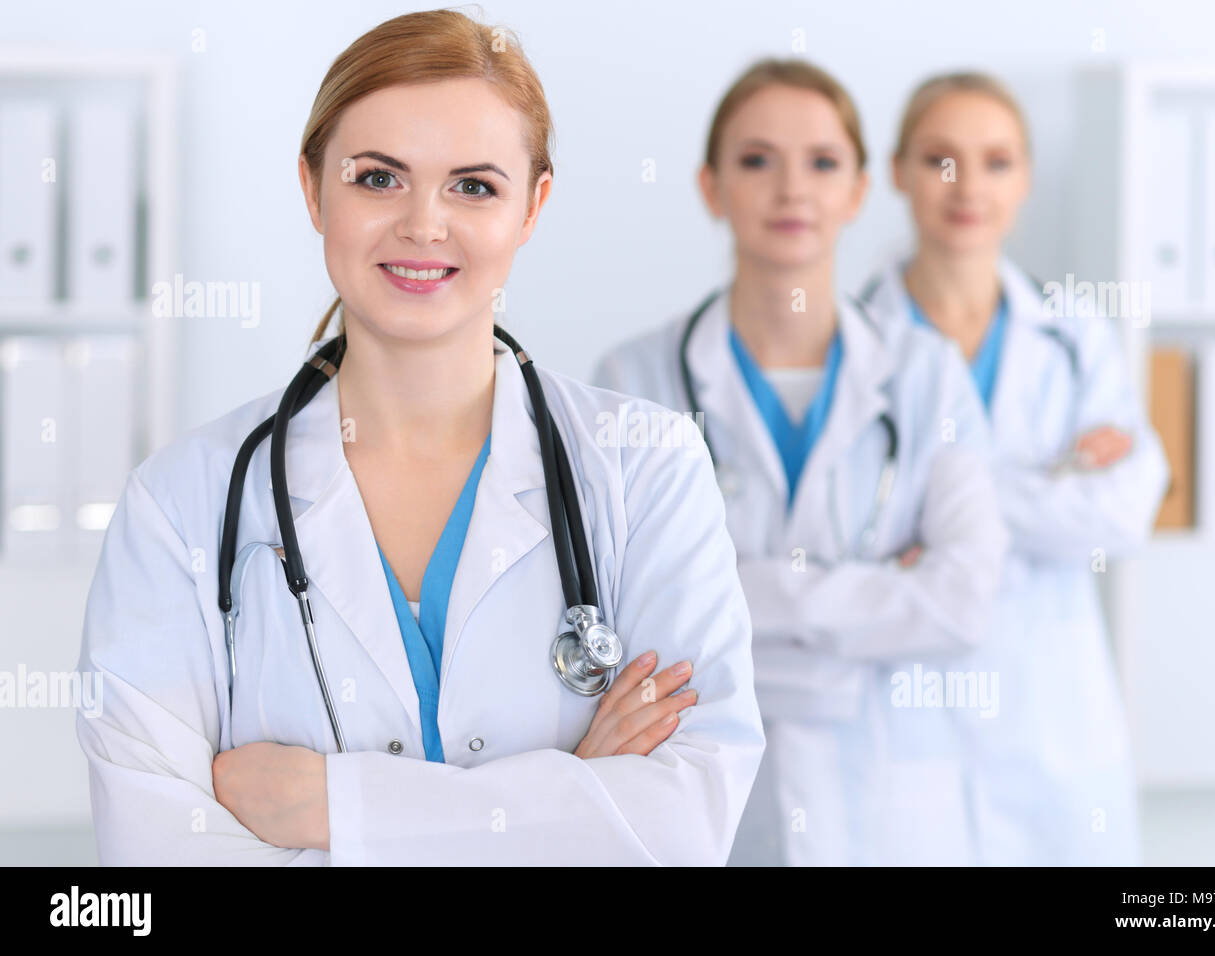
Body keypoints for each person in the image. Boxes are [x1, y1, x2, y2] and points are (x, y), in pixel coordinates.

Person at [74, 9, 764, 866]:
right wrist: (573, 792)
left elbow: (686, 822)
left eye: (473, 186)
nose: (423, 225)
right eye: (377, 179)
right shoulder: (181, 504)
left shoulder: (647, 466)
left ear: (532, 206)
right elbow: (154, 856)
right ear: (311, 186)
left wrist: (335, 804)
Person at [592, 59, 1008, 866]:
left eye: (821, 162)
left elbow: (963, 602)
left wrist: (733, 587)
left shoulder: (925, 375)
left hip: (890, 797)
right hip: (700, 788)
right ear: (710, 187)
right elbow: (627, 618)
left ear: (858, 190)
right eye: (756, 160)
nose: (792, 190)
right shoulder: (633, 380)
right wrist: (880, 586)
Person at [860, 72, 1169, 865]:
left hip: (1053, 719)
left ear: (1026, 177)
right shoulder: (852, 343)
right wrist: (1051, 480)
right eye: (940, 159)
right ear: (896, 171)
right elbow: (848, 528)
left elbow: (1125, 512)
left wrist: (941, 504)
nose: (969, 187)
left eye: (996, 161)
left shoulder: (1075, 336)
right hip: (901, 716)